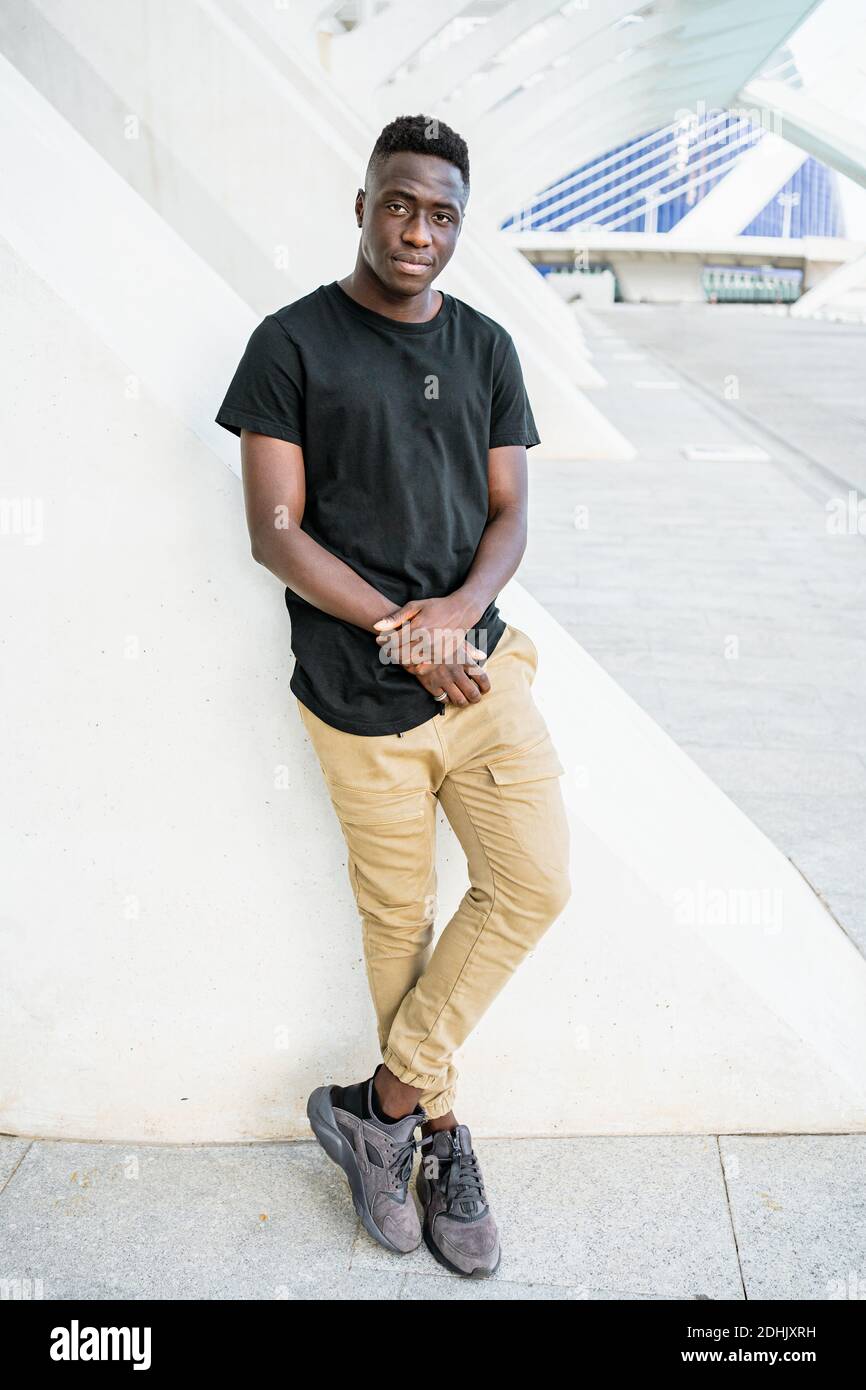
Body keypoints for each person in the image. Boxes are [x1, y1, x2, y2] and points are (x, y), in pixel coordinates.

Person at [215, 113, 571, 1279]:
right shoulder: (290, 343)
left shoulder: (484, 348)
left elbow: (510, 511)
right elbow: (275, 533)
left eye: (441, 215)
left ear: (458, 227)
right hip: (353, 696)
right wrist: (402, 635)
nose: (418, 231)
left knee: (531, 882)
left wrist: (458, 616)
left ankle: (381, 1101)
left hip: (482, 673)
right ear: (361, 203)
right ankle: (437, 1134)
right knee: (396, 924)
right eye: (399, 205)